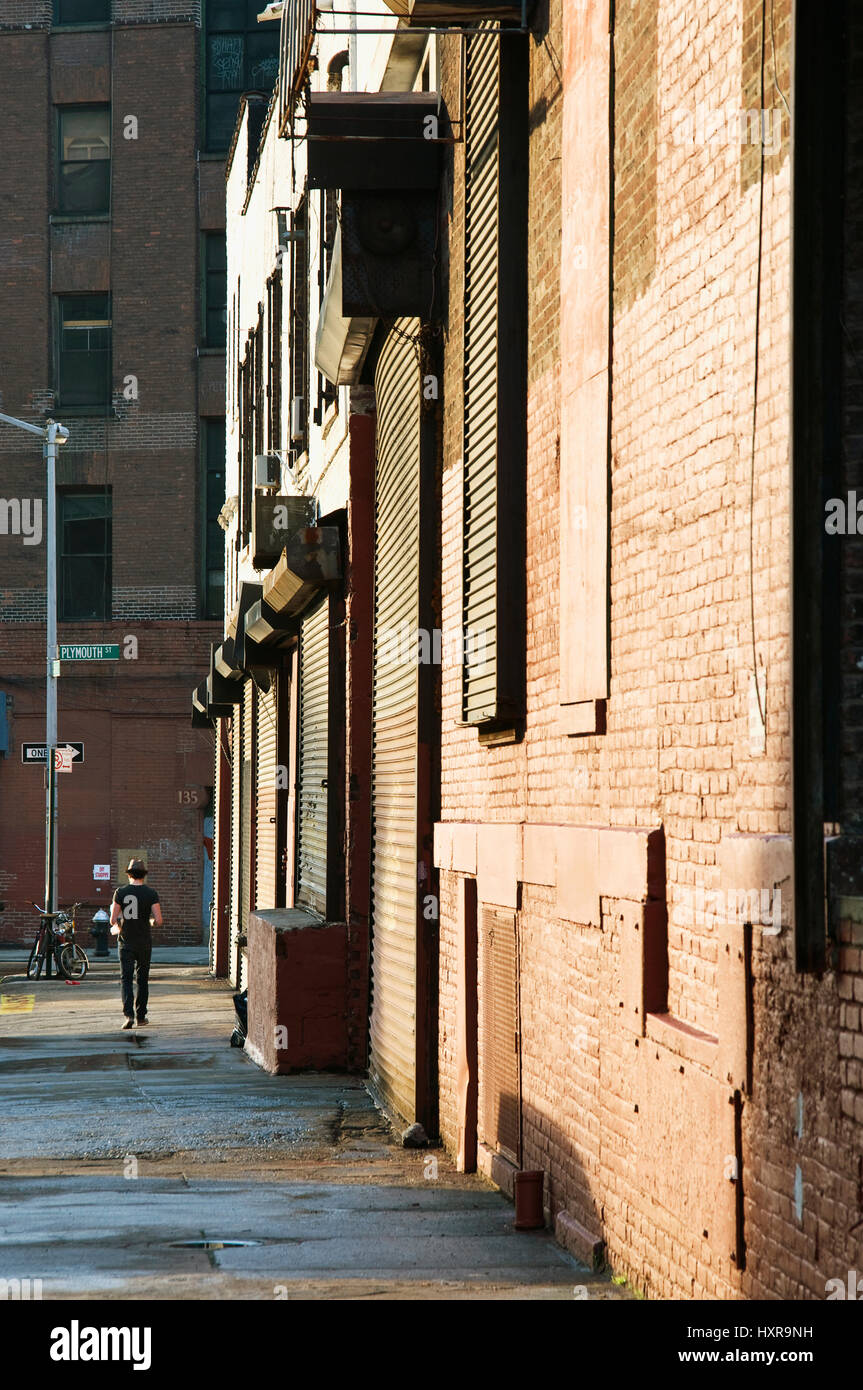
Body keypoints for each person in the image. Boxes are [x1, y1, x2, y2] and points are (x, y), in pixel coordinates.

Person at [110, 859, 162, 1030]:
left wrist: (119, 923)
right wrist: (150, 921)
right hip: (144, 942)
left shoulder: (120, 892)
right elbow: (159, 920)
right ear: (143, 875)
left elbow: (112, 919)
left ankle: (128, 1015)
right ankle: (141, 1016)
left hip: (126, 941)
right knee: (142, 979)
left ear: (129, 874)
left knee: (126, 979)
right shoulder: (151, 893)